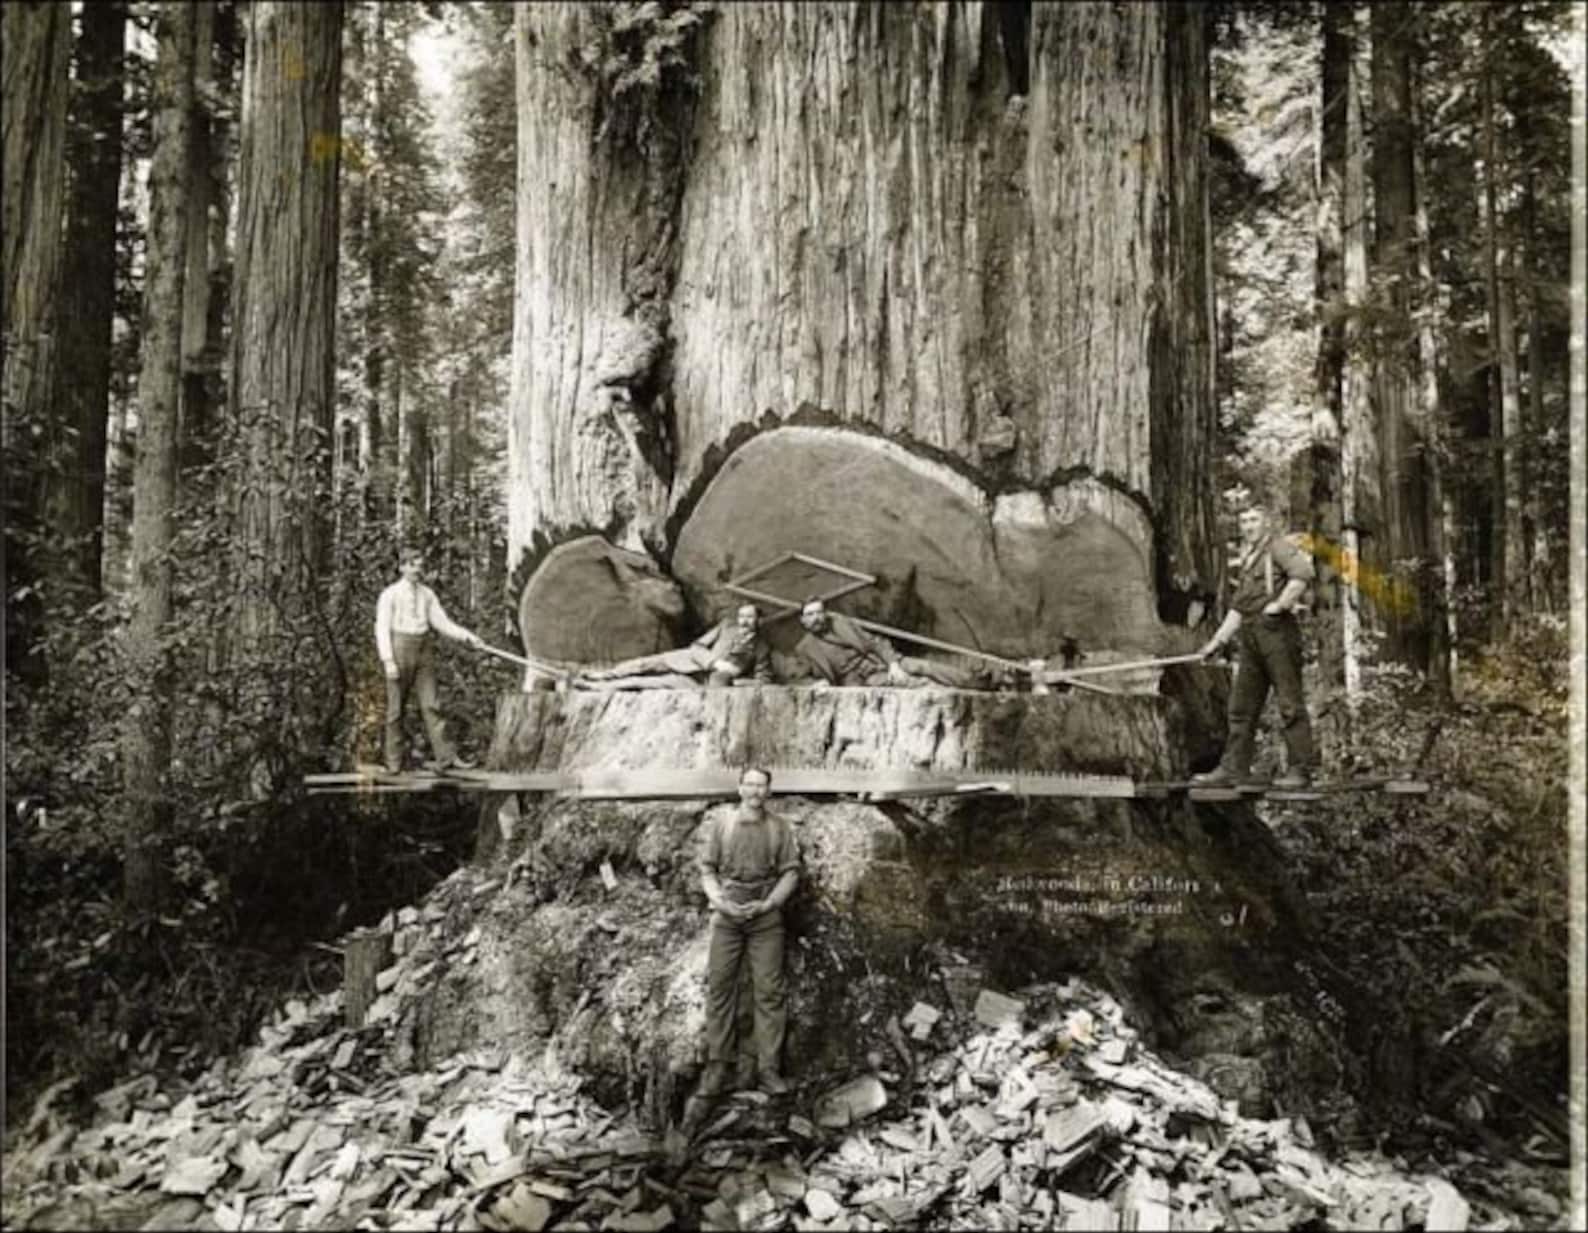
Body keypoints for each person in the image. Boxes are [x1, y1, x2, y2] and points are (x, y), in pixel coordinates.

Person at [1191, 505, 1318, 789]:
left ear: (1266, 522)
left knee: (1289, 704)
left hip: (1277, 633)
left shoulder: (1279, 548)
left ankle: (1300, 770)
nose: (1248, 526)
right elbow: (1238, 609)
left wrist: (1279, 605)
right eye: (1244, 521)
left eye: (1254, 520)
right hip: (1250, 638)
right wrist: (1216, 642)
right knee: (1241, 706)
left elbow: (1303, 574)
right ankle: (1233, 769)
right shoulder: (1248, 561)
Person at [697, 767, 801, 1097]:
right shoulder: (722, 825)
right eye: (750, 785)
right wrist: (720, 903)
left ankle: (768, 1068)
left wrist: (769, 904)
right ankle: (718, 1064)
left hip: (765, 918)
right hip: (727, 916)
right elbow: (707, 872)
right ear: (740, 788)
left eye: (762, 786)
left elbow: (790, 874)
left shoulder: (779, 828)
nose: (755, 791)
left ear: (768, 791)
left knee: (769, 990)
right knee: (720, 985)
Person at [374, 548, 484, 773]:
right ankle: (393, 763)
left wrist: (468, 636)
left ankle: (446, 758)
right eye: (412, 565)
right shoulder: (389, 594)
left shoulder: (427, 594)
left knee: (431, 704)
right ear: (402, 566)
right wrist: (388, 660)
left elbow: (442, 623)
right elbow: (382, 628)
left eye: (420, 565)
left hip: (423, 648)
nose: (417, 570)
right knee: (396, 709)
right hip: (399, 647)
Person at [792, 598, 1009, 689]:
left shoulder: (841, 623)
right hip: (862, 682)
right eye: (810, 614)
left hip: (880, 662)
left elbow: (875, 642)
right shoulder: (804, 648)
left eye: (820, 612)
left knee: (923, 666)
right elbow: (796, 678)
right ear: (802, 620)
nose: (817, 617)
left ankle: (977, 682)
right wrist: (814, 685)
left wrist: (893, 664)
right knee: (915, 683)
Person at [578, 603, 772, 689]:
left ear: (758, 620)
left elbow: (763, 680)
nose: (744, 620)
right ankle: (603, 675)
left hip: (702, 684)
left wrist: (734, 679)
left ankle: (595, 688)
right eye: (742, 616)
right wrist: (714, 662)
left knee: (645, 683)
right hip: (688, 659)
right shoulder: (726, 626)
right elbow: (697, 645)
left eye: (749, 617)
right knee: (642, 665)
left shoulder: (761, 647)